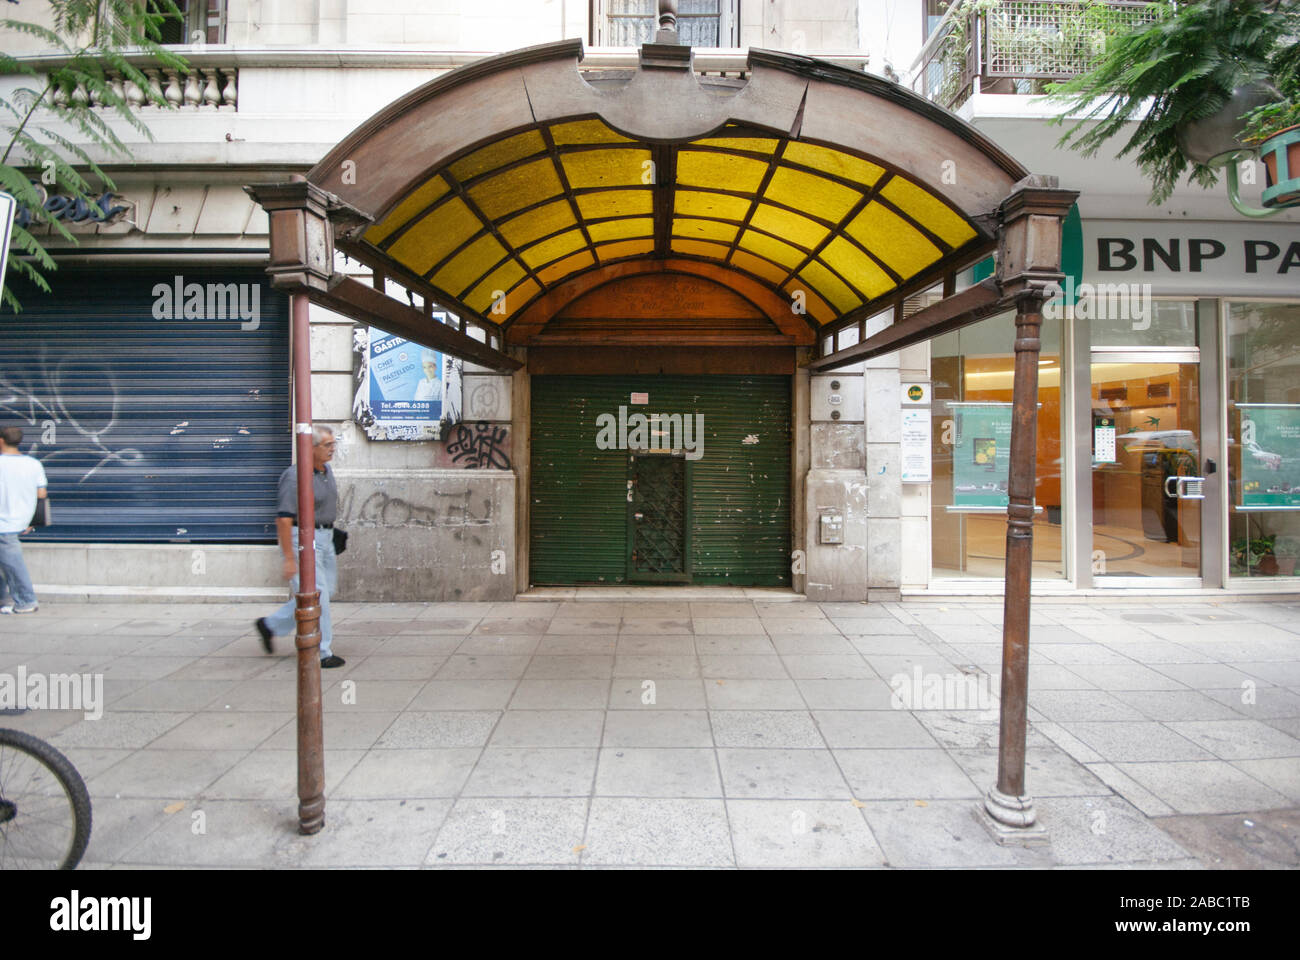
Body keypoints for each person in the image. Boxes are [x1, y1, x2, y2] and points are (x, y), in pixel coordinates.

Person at [254, 425, 344, 667]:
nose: (332, 449)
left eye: (333, 444)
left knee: (325, 591)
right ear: (311, 448)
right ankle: (321, 651)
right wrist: (289, 558)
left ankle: (270, 625)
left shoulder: (326, 470)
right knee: (318, 594)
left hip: (324, 537)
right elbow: (283, 518)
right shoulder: (294, 476)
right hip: (302, 538)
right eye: (327, 445)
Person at [0, 426, 48, 615]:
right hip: (21, 521)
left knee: (13, 564)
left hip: (4, 523)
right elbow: (41, 493)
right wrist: (32, 520)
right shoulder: (33, 464)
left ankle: (27, 600)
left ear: (1, 441)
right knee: (6, 563)